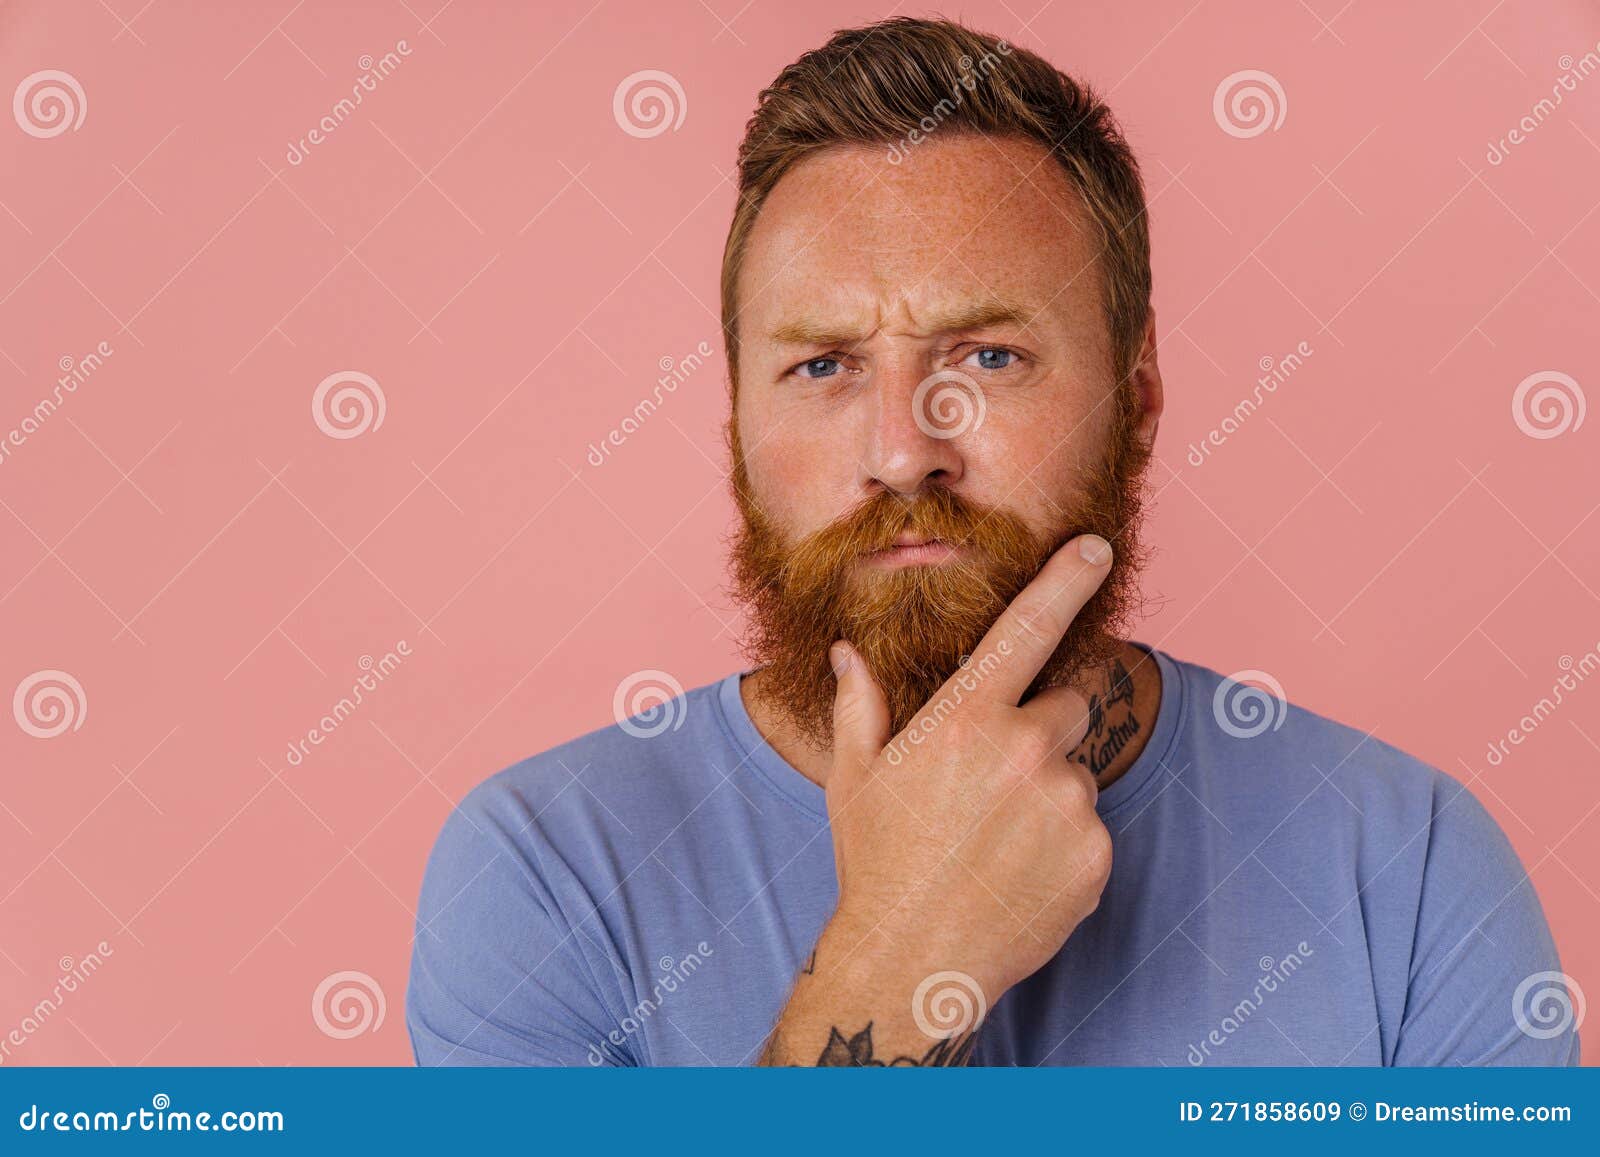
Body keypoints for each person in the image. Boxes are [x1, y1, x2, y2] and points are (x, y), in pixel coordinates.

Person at [406, 17, 1578, 1067]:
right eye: (822, 365)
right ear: (735, 424)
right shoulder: (544, 875)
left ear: (1139, 386)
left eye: (988, 357)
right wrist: (898, 962)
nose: (905, 450)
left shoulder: (1406, 868)